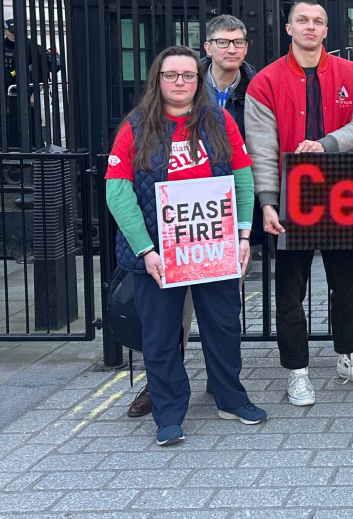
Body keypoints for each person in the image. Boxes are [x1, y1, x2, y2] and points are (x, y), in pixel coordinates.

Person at [105, 45, 265, 445]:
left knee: (224, 328)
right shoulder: (136, 126)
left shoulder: (219, 120)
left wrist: (244, 234)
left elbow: (243, 177)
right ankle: (169, 412)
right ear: (157, 80)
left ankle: (231, 398)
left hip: (212, 248)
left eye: (188, 75)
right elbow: (117, 192)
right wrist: (146, 250)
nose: (180, 82)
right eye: (171, 75)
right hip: (157, 254)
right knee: (160, 337)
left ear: (199, 79)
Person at [244, 1, 353, 406]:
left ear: (326, 30)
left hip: (343, 197)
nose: (310, 27)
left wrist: (325, 145)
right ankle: (297, 370)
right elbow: (262, 147)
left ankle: (348, 357)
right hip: (290, 201)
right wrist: (268, 203)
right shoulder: (265, 81)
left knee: (349, 288)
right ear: (288, 28)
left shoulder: (352, 73)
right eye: (302, 20)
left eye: (317, 21)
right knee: (290, 290)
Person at [0, 18, 54, 150]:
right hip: (5, 91)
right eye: (10, 32)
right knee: (6, 125)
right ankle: (8, 153)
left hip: (26, 90)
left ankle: (35, 152)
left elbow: (43, 73)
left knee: (32, 125)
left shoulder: (30, 46)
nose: (13, 35)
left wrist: (35, 93)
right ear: (5, 30)